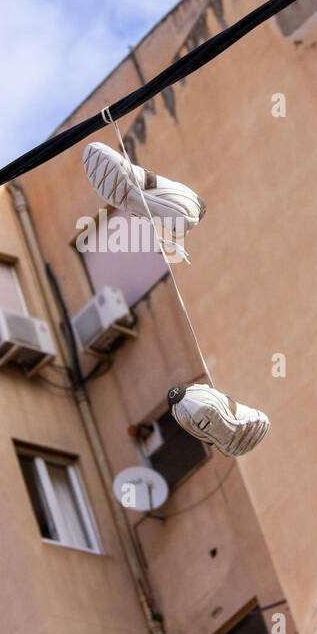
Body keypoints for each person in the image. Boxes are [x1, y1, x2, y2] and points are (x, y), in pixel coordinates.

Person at [82, 141, 270, 457]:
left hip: (170, 209)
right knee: (190, 215)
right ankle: (168, 200)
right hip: (189, 404)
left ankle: (171, 199)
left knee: (191, 213)